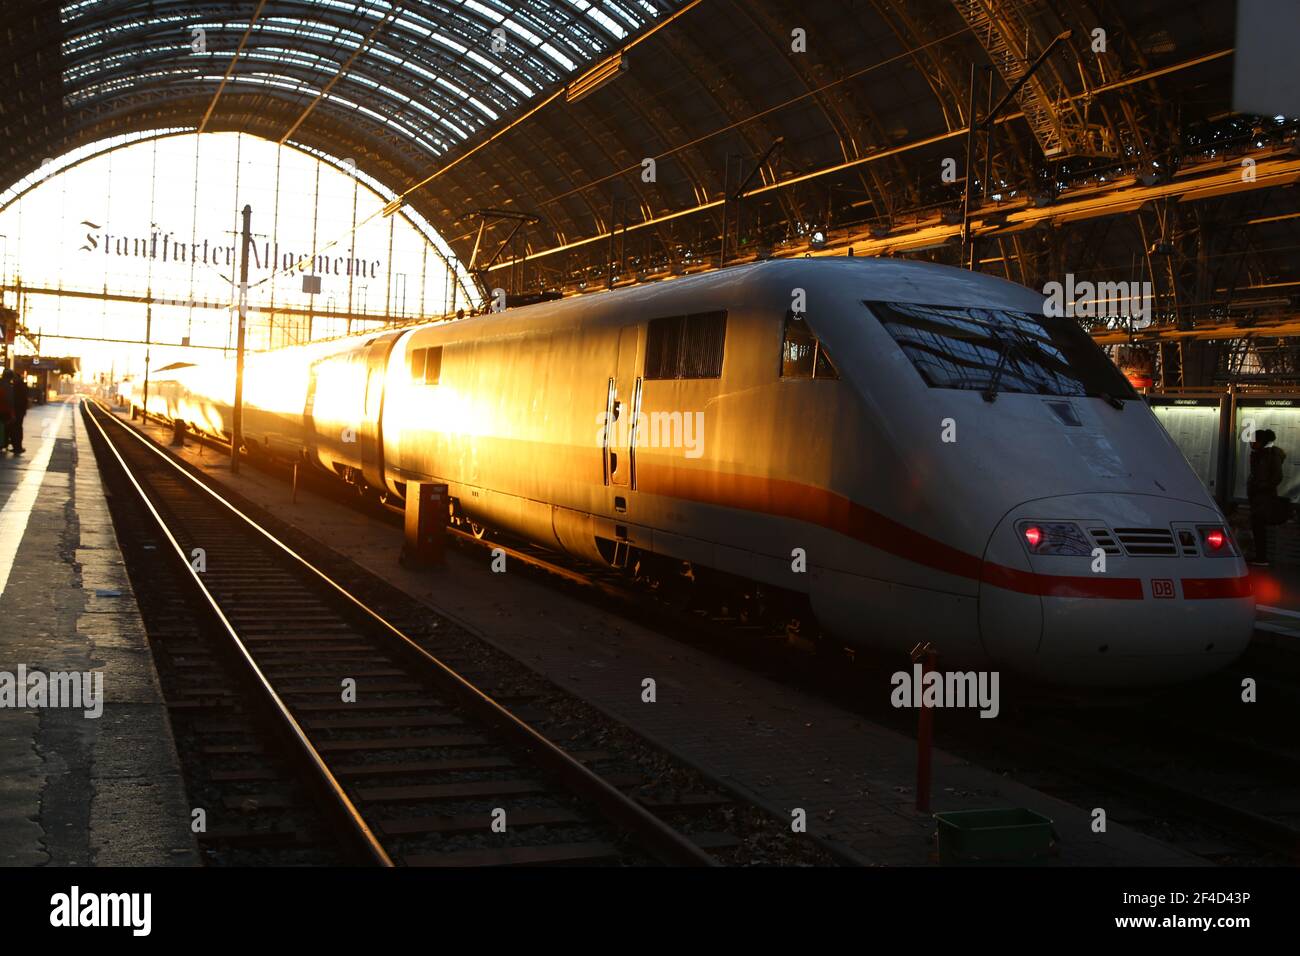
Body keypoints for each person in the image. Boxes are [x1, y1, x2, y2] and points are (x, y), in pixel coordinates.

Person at [1247, 428, 1286, 566]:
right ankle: (1260, 556)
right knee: (1257, 526)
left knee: (1259, 526)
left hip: (1264, 498)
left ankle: (1261, 558)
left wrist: (1263, 486)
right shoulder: (1259, 455)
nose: (1251, 443)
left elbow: (1277, 476)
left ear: (1261, 442)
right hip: (1258, 497)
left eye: (1253, 440)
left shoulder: (1270, 455)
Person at [8, 370, 28, 454]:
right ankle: (17, 446)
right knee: (18, 428)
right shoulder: (22, 386)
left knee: (15, 429)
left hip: (17, 411)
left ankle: (17, 446)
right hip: (20, 411)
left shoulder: (16, 387)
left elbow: (14, 399)